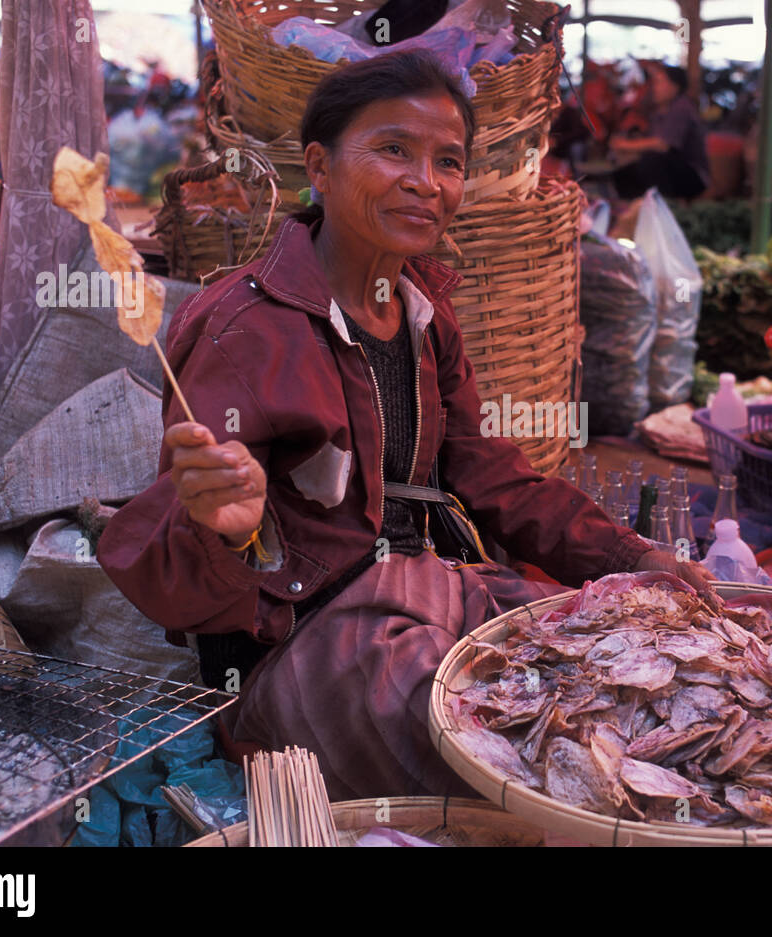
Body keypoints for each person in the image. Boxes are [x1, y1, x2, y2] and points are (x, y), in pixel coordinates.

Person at [97, 50, 714, 802]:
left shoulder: (420, 308)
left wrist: (630, 554)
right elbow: (171, 571)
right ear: (320, 167)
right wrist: (234, 530)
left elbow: (489, 474)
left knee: (617, 671)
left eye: (448, 160)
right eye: (394, 150)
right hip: (309, 643)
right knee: (516, 748)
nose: (427, 181)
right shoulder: (242, 329)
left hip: (429, 591)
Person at [610, 63, 710, 200]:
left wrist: (624, 145)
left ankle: (667, 207)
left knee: (651, 161)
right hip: (669, 168)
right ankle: (636, 210)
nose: (654, 88)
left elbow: (662, 144)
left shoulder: (682, 107)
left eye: (659, 83)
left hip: (693, 176)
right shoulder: (660, 111)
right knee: (624, 174)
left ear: (674, 86)